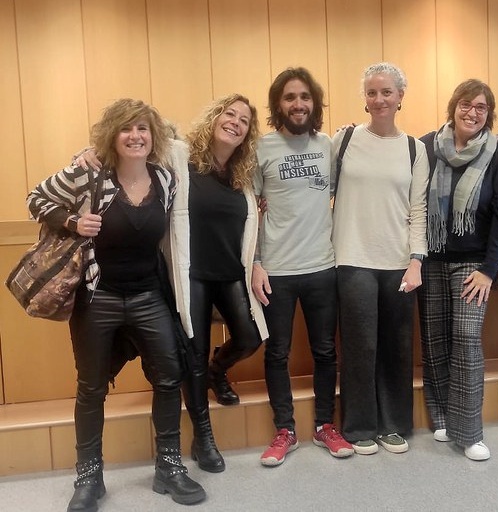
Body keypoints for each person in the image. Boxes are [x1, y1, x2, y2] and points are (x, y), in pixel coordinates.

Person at [75, 94, 268, 473]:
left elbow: (251, 226)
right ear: (214, 118)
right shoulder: (179, 156)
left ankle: (219, 369)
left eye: (244, 120)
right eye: (229, 114)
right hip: (190, 273)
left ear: (248, 133)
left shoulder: (244, 176)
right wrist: (87, 153)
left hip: (230, 272)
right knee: (191, 355)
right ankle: (203, 437)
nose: (235, 122)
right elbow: (131, 151)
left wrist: (257, 262)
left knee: (250, 336)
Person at [29, 99, 206, 512]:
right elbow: (36, 198)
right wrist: (73, 222)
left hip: (148, 295)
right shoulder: (90, 174)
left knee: (168, 376)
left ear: (154, 136)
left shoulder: (165, 178)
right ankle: (89, 477)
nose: (135, 136)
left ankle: (168, 466)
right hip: (99, 296)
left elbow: (188, 156)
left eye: (143, 128)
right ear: (112, 135)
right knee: (91, 388)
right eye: (126, 129)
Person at [251, 67, 353, 466]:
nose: (298, 104)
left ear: (315, 103)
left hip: (322, 267)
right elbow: (250, 211)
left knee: (326, 350)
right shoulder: (261, 147)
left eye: (305, 97)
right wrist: (257, 262)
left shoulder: (327, 145)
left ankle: (326, 425)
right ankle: (285, 430)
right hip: (275, 269)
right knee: (276, 352)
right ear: (279, 104)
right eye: (290, 97)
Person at [332, 62, 429, 455]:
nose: (379, 99)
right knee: (359, 346)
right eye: (372, 92)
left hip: (398, 262)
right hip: (351, 258)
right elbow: (317, 187)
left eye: (386, 92)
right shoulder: (345, 139)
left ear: (401, 96)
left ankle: (394, 424)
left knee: (396, 346)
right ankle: (359, 427)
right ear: (365, 98)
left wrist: (416, 260)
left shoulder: (414, 149)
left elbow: (419, 208)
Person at [418, 79, 498, 461]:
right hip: (431, 259)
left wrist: (489, 270)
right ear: (453, 106)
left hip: (474, 263)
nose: (472, 112)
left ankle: (470, 431)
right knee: (434, 339)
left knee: (466, 338)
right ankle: (441, 416)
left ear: (488, 113)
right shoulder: (426, 146)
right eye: (465, 104)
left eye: (481, 107)